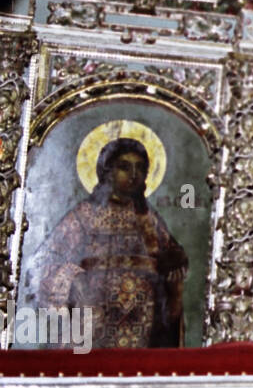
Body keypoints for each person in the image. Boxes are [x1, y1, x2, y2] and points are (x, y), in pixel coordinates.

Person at [30, 137, 188, 350]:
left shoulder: (149, 218)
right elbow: (47, 260)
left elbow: (171, 257)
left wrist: (174, 266)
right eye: (124, 167)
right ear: (107, 172)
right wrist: (74, 282)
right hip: (94, 312)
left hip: (142, 318)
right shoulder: (85, 215)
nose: (134, 175)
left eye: (140, 168)